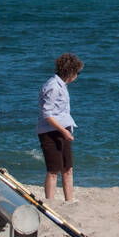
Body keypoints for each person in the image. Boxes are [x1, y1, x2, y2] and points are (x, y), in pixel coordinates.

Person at [37, 52, 83, 202]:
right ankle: (49, 202)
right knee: (53, 170)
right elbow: (47, 114)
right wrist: (63, 131)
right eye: (77, 73)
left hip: (63, 128)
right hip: (51, 131)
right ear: (70, 72)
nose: (77, 76)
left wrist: (65, 130)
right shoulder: (53, 86)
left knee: (68, 169)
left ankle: (69, 200)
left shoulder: (62, 85)